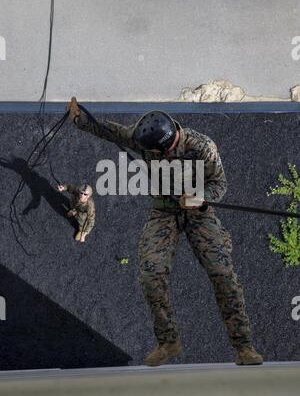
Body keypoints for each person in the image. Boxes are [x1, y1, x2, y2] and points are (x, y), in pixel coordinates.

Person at [66, 97, 263, 366]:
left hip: (198, 212)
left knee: (222, 272)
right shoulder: (145, 138)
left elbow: (219, 184)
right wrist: (81, 119)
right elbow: (113, 131)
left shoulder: (202, 147)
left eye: (155, 153)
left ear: (168, 144)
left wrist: (200, 197)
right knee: (150, 273)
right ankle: (168, 341)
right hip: (163, 211)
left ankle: (244, 347)